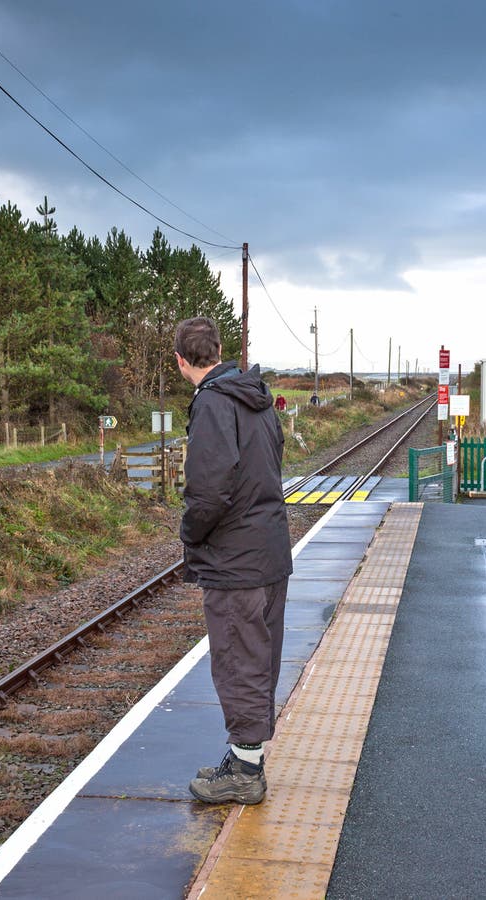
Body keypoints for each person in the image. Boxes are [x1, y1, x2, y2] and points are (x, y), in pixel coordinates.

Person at [174, 316, 293, 805]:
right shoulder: (258, 399)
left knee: (238, 659)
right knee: (258, 658)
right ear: (220, 350)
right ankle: (247, 758)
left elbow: (208, 491)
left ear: (181, 361)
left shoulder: (213, 405)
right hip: (269, 553)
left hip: (236, 562)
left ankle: (245, 774)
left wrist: (189, 535)